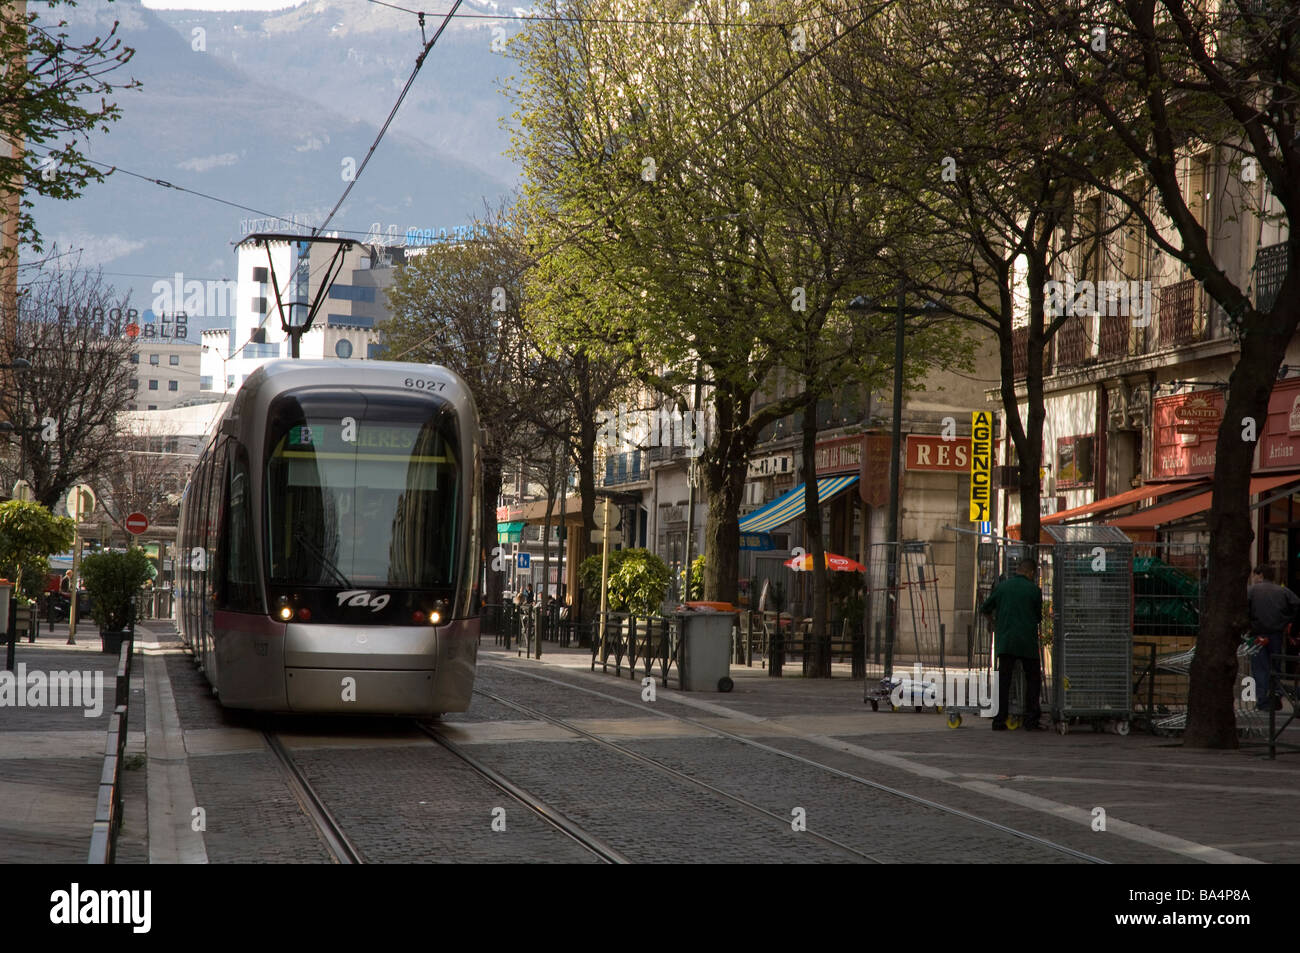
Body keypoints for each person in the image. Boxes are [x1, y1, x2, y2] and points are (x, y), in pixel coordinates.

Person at [980, 556, 1044, 731]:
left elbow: (984, 608)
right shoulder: (1034, 590)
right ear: (1031, 572)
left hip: (1006, 641)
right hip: (1027, 643)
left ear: (1018, 570)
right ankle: (1031, 720)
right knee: (1033, 679)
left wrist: (993, 621)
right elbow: (1038, 617)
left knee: (1004, 681)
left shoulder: (1002, 587)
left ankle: (999, 719)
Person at [1247, 565, 1298, 711]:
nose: (1254, 578)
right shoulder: (1283, 591)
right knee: (1275, 667)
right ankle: (1276, 696)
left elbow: (1244, 608)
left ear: (1260, 575)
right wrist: (1287, 621)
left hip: (1258, 634)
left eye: (1255, 575)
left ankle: (1263, 701)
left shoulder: (1252, 591)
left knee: (1260, 668)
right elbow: (1296, 605)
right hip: (1276, 633)